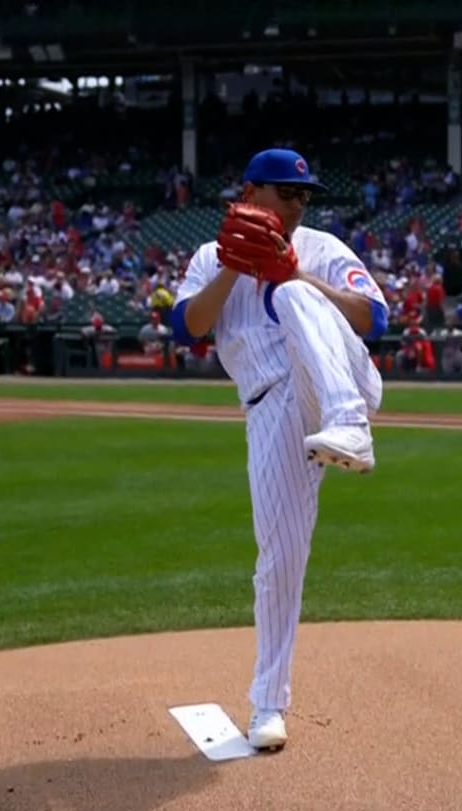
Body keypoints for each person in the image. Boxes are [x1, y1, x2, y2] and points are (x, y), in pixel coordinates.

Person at [171, 148, 387, 753]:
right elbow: (186, 327)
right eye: (285, 193)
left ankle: (351, 427)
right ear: (249, 192)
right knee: (279, 559)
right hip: (270, 408)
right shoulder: (210, 256)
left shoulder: (320, 247)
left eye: (303, 196)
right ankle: (269, 704)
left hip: (341, 381)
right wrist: (238, 266)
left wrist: (294, 273)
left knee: (293, 298)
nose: (297, 205)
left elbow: (374, 321)